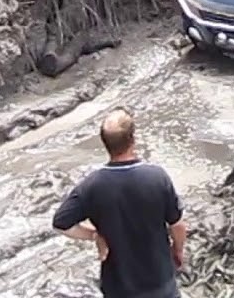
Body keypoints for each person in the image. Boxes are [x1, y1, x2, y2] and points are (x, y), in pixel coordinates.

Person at [52, 107, 187, 298]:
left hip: (118, 288)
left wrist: (94, 236)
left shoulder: (92, 186)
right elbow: (177, 225)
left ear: (105, 143)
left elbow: (60, 223)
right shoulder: (157, 177)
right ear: (133, 139)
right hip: (160, 284)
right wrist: (178, 251)